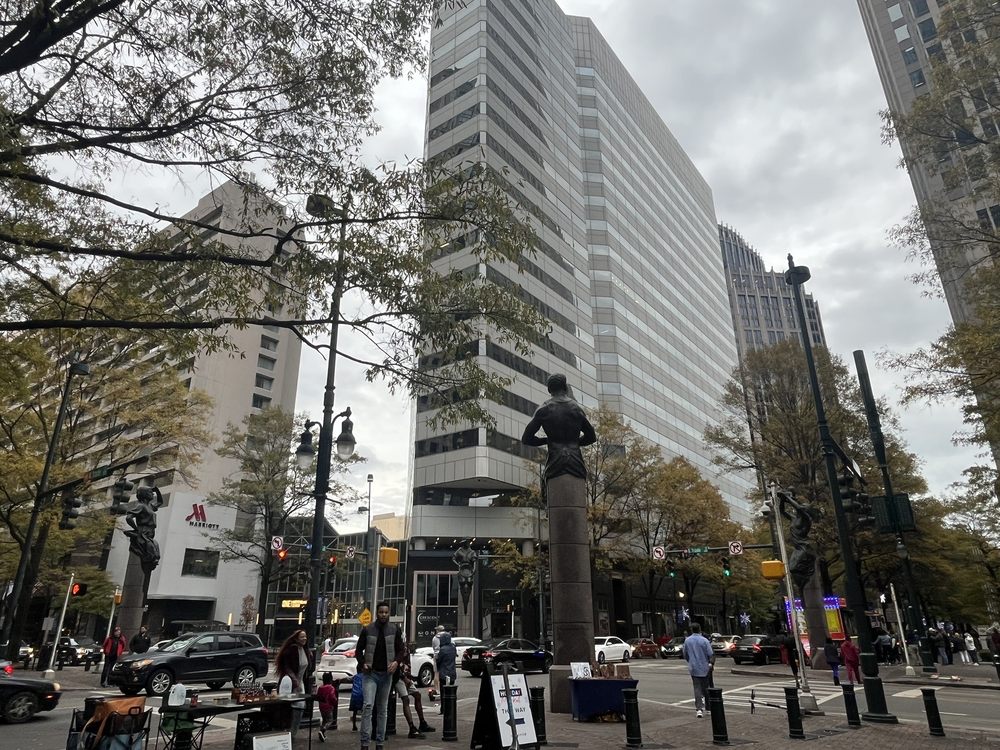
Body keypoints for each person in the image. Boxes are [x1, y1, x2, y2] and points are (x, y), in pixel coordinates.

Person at [355, 601, 405, 750]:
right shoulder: (368, 629)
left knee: (383, 709)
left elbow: (401, 650)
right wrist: (363, 663)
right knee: (368, 706)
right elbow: (358, 650)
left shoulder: (394, 629)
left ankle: (380, 743)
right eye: (381, 612)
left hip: (387, 674)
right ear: (377, 613)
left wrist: (396, 662)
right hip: (370, 674)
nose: (383, 614)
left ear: (389, 613)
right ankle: (365, 743)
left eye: (386, 612)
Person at [275, 629, 314, 733]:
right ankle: (285, 729)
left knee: (300, 705)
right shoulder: (291, 650)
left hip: (299, 681)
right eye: (302, 637)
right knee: (288, 704)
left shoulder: (305, 650)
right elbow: (287, 667)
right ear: (296, 638)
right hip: (289, 682)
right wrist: (295, 681)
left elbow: (307, 668)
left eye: (305, 636)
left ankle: (293, 731)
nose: (304, 638)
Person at [394, 642, 435, 738]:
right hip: (399, 678)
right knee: (406, 699)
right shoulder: (397, 647)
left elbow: (405, 664)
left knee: (417, 695)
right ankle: (412, 728)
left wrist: (408, 677)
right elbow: (397, 664)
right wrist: (404, 678)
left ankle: (422, 723)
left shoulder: (403, 647)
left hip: (405, 677)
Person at [681, 623, 714, 718]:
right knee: (706, 688)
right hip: (704, 666)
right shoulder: (704, 640)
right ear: (699, 629)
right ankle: (708, 708)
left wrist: (690, 661)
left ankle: (699, 709)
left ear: (691, 630)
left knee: (697, 688)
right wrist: (710, 663)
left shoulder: (687, 641)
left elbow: (685, 654)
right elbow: (710, 653)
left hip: (693, 667)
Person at [435, 630, 457, 715]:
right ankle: (451, 709)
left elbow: (439, 661)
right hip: (452, 673)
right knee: (451, 694)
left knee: (444, 693)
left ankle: (443, 709)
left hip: (444, 673)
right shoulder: (453, 648)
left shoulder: (443, 649)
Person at [317, 672, 338, 742]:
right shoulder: (331, 688)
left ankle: (322, 733)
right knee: (330, 720)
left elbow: (318, 696)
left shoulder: (320, 687)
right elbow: (332, 697)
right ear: (330, 680)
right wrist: (335, 701)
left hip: (321, 706)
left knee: (324, 720)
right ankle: (322, 730)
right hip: (328, 706)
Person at [428, 624, 445, 701]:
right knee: (444, 673)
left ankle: (437, 690)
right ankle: (444, 688)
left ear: (438, 630)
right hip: (444, 655)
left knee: (436, 673)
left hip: (437, 655)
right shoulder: (446, 637)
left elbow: (434, 647)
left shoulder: (435, 638)